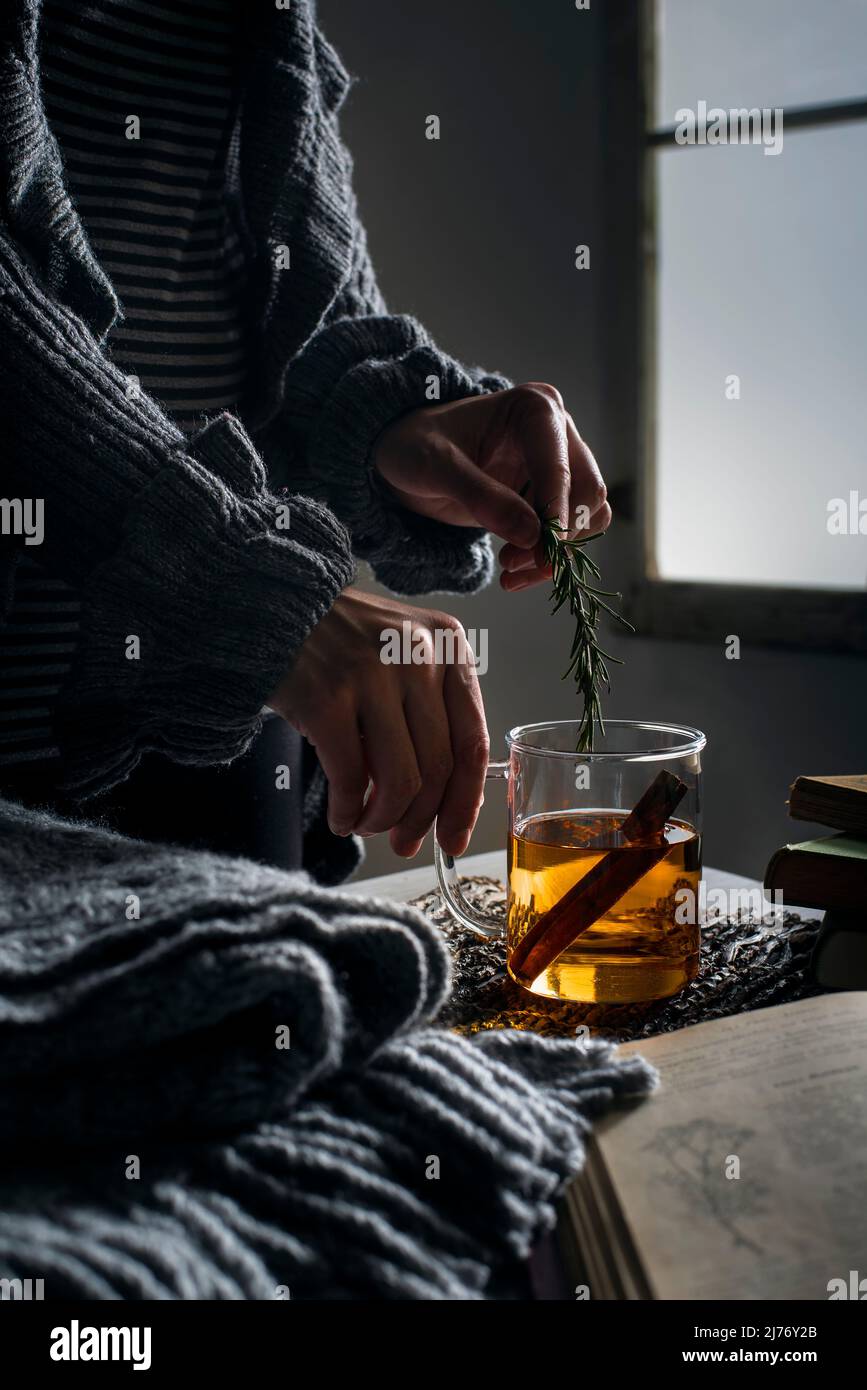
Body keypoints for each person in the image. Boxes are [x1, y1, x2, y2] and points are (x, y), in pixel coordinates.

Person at [0, 0, 610, 884]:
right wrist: (232, 574)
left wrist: (391, 424)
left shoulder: (271, 25)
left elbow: (307, 334)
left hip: (221, 725)